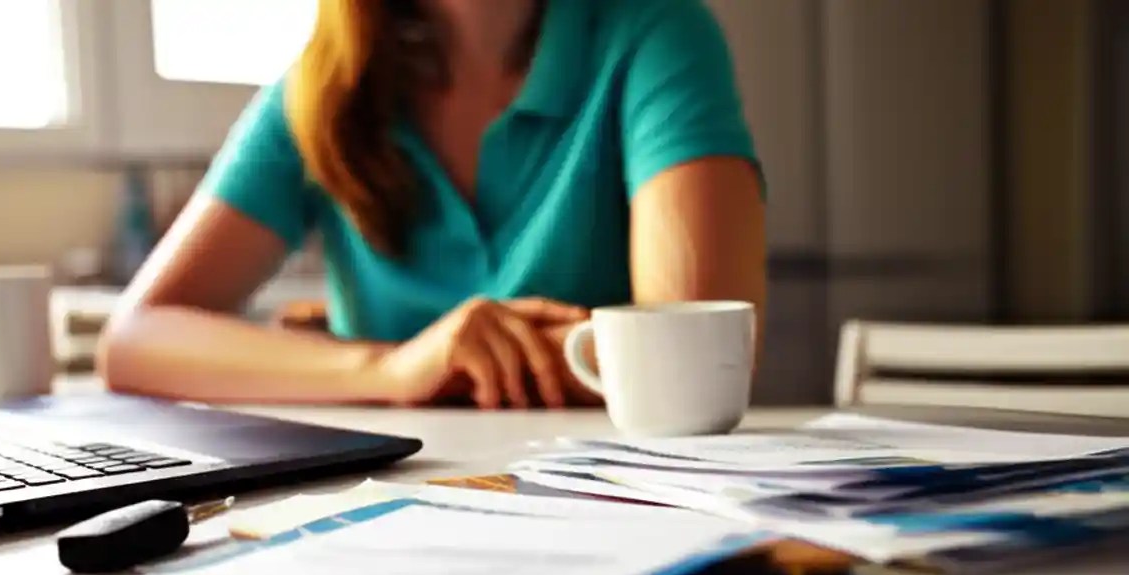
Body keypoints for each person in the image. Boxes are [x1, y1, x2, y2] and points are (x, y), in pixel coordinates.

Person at [98, 0, 766, 410]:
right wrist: (391, 367)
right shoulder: (322, 88)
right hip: (387, 509)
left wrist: (443, 363)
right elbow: (134, 340)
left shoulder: (656, 32)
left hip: (620, 498)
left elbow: (692, 358)